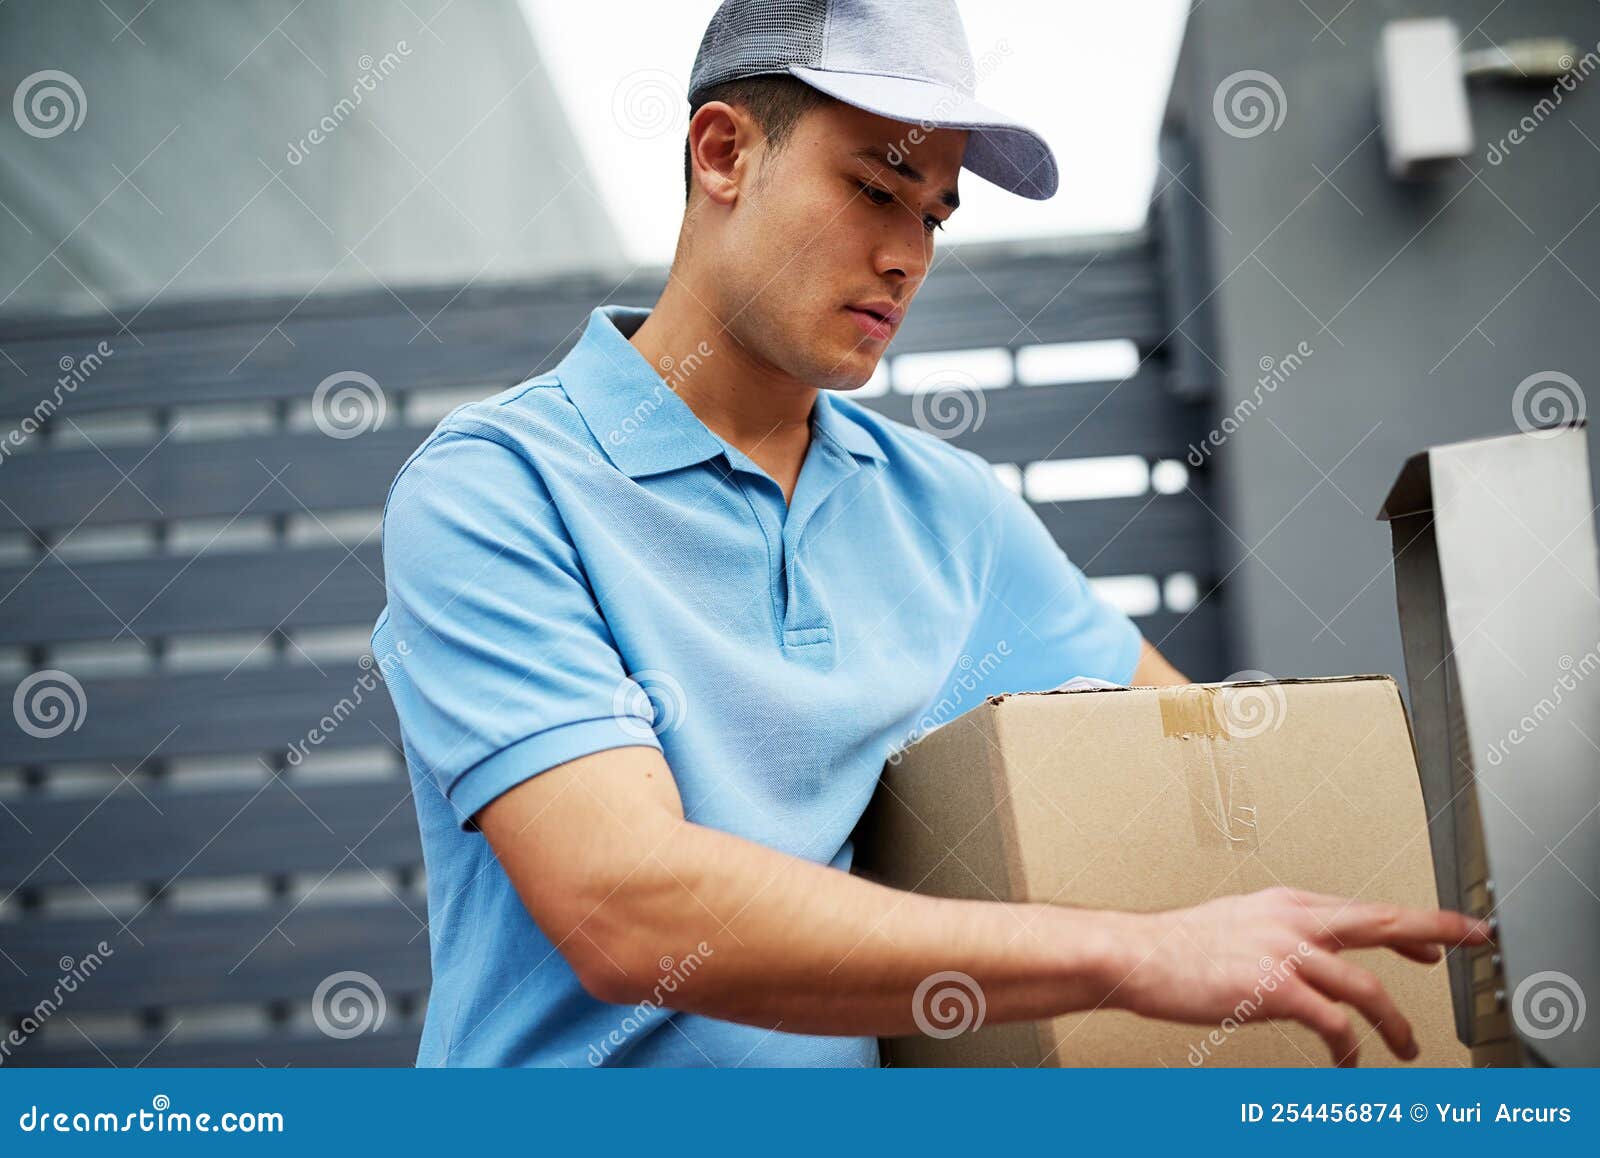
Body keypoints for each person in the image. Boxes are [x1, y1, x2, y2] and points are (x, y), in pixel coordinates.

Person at [372, 0, 1489, 1067]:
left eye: (933, 216)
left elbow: (1196, 765)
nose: (908, 255)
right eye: (873, 188)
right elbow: (628, 913)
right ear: (722, 153)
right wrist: (1131, 955)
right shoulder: (500, 489)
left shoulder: (945, 512)